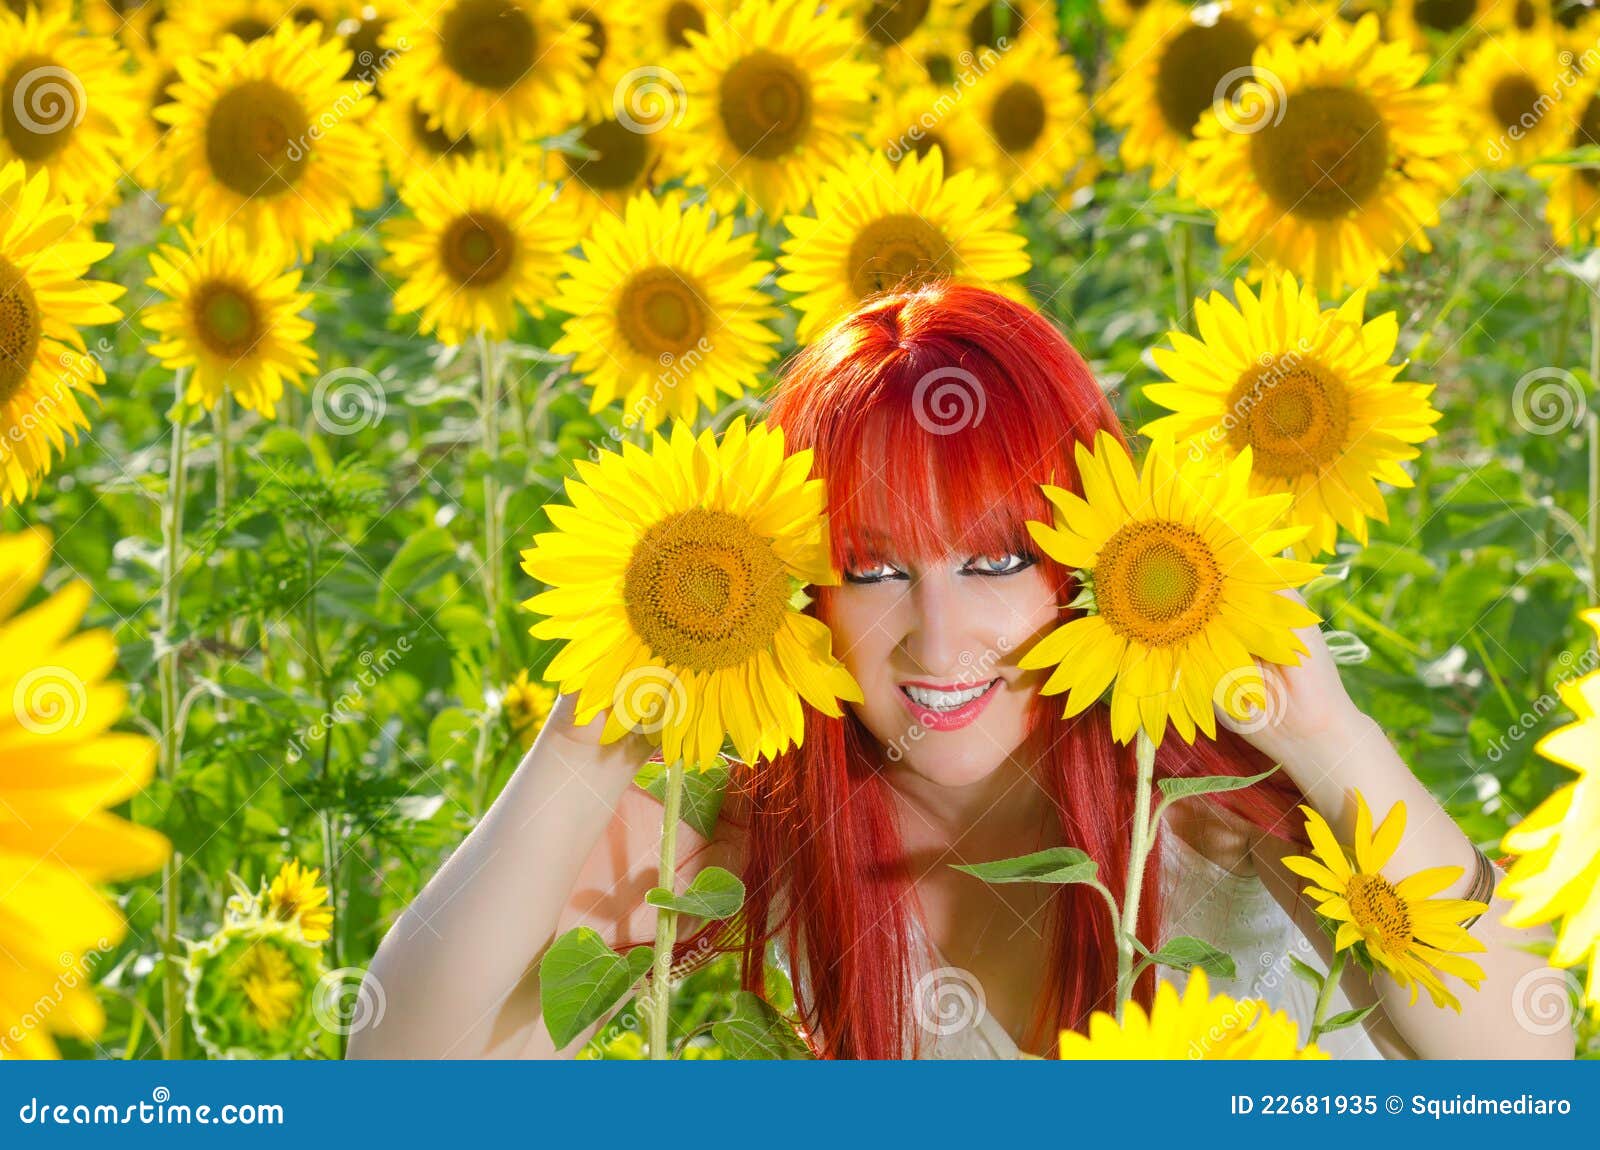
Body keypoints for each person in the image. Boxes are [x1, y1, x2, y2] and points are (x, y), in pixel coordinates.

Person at [350, 281, 1572, 1061]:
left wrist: (1330, 737)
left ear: (1077, 564)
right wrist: (581, 747)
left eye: (992, 559)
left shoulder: (1199, 799)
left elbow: (1519, 1063)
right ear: (802, 593)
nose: (939, 641)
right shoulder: (754, 835)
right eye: (875, 572)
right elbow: (402, 1074)